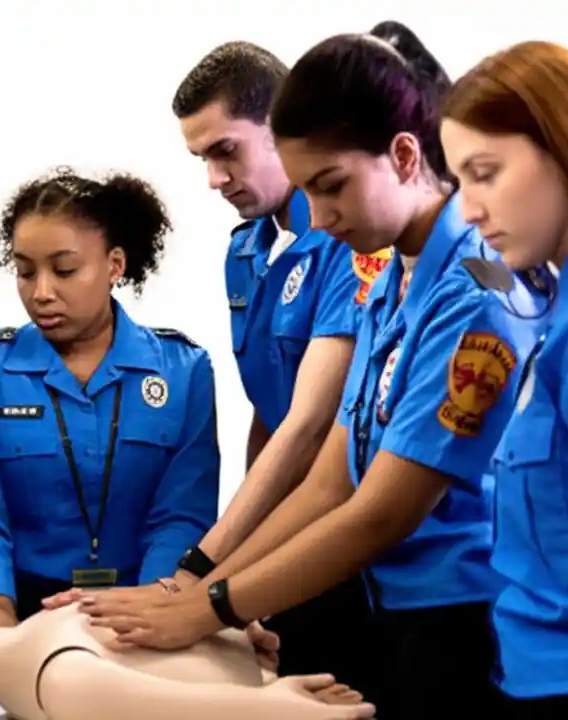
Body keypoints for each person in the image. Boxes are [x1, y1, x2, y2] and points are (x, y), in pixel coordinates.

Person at [76, 23, 551, 720]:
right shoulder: (393, 275)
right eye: (307, 192)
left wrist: (210, 606)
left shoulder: (476, 292)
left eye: (332, 188)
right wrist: (197, 587)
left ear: (404, 153)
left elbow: (382, 509)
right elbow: (331, 474)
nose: (321, 220)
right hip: (391, 601)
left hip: (468, 616)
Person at [47, 40, 377, 693]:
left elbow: (311, 426)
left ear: (283, 124)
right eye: (202, 159)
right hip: (289, 533)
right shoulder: (246, 251)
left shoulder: (348, 244)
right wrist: (235, 573)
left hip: (356, 540)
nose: (214, 179)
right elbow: (270, 412)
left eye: (226, 151)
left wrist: (202, 574)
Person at [441, 41, 568, 717]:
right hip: (542, 676)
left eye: (486, 173)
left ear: (567, 150)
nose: (469, 210)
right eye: (460, 181)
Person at [0, 167, 221, 626]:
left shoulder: (183, 372)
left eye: (65, 270)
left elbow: (182, 513)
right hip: (20, 612)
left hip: (147, 606)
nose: (42, 293)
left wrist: (149, 612)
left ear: (115, 265)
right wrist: (8, 633)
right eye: (25, 272)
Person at [0, 572, 376, 720]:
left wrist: (229, 629)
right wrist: (275, 708)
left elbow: (155, 625)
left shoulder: (37, 637)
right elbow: (191, 712)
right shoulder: (56, 682)